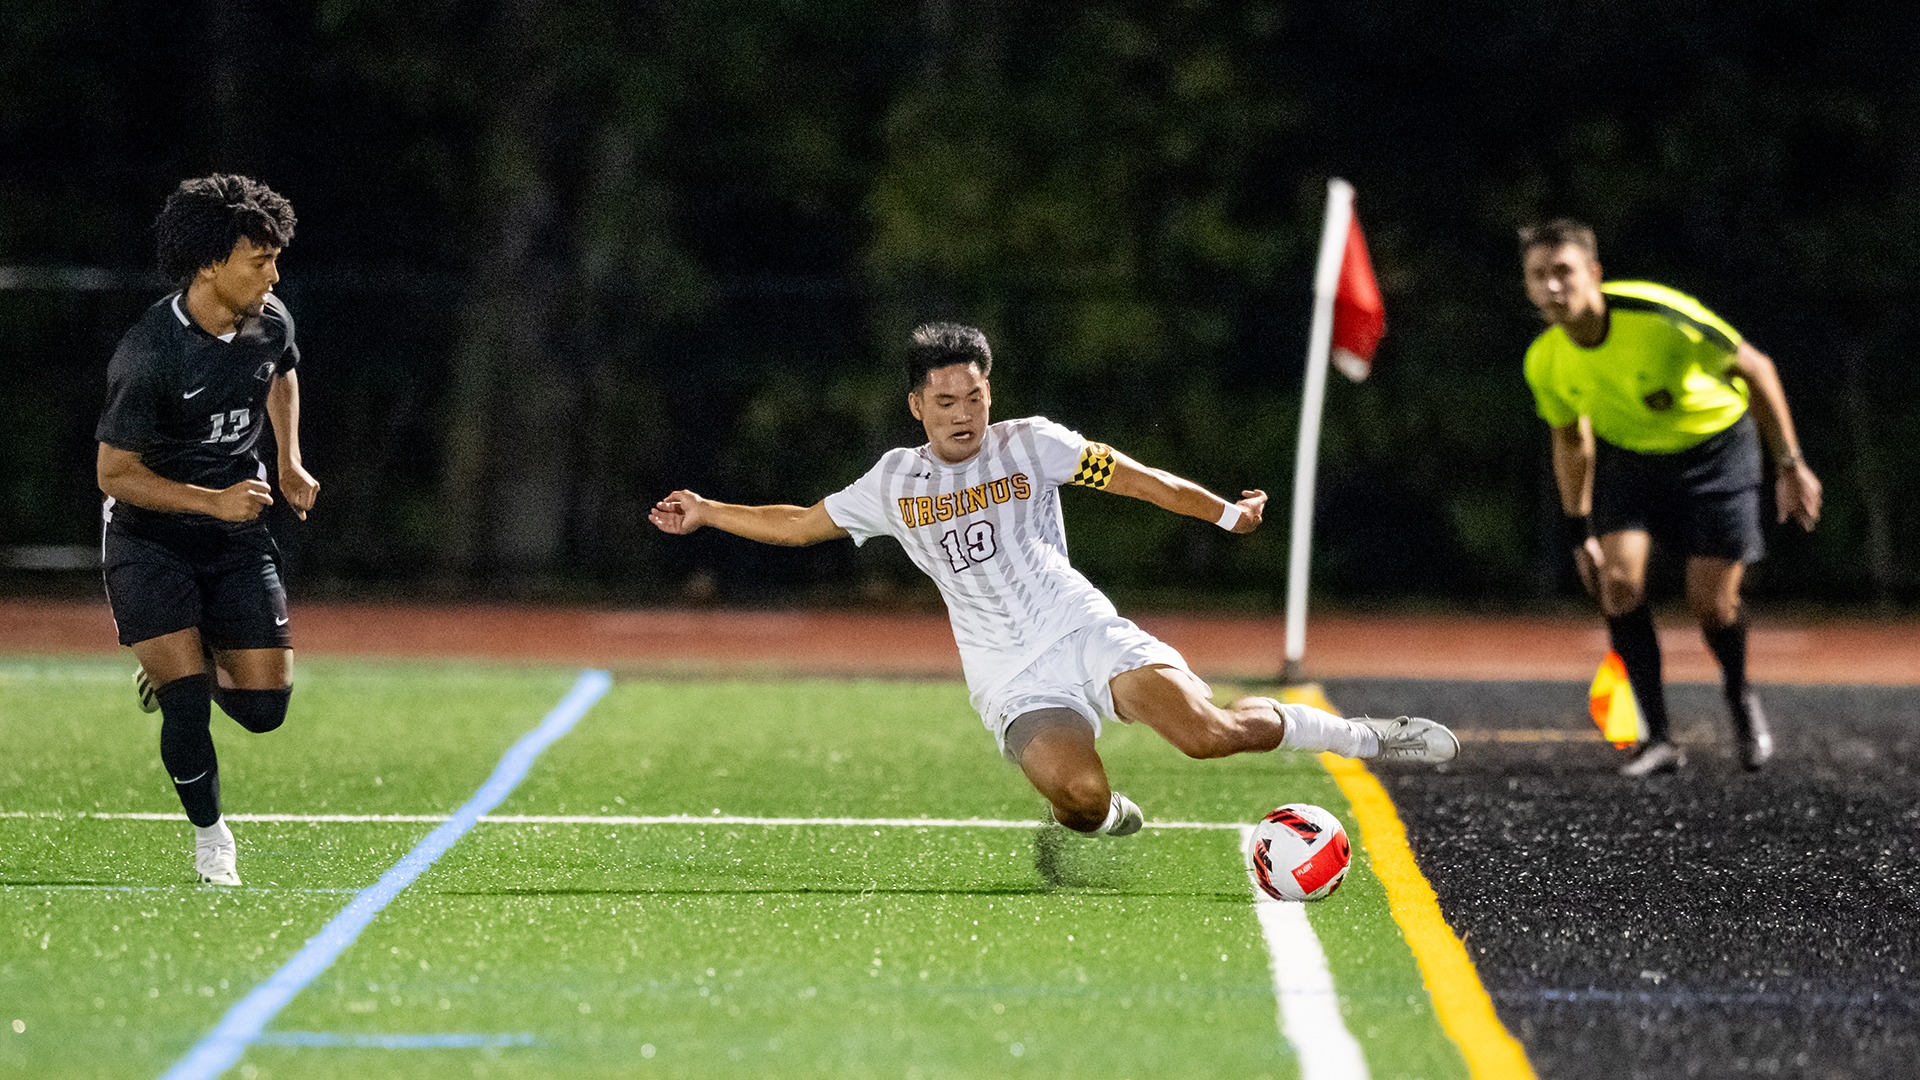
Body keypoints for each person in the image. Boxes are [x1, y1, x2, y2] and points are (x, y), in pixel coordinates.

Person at [649, 323, 1457, 836]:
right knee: (1080, 802)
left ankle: (1363, 736)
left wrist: (1225, 516)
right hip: (1008, 676)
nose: (962, 411)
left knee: (1206, 734)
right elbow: (799, 521)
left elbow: (1138, 478)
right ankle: (1105, 817)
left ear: (989, 393)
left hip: (1082, 630)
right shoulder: (893, 483)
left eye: (974, 394)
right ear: (916, 407)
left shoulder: (1033, 444)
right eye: (944, 400)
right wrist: (710, 511)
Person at [1519, 220, 1821, 778]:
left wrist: (1791, 464)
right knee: (1619, 583)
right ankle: (1657, 738)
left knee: (1711, 605)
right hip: (1635, 461)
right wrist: (1578, 528)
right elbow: (1571, 439)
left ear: (1594, 273)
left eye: (1562, 271)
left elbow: (1756, 367)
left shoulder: (1656, 315)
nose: (1551, 287)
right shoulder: (1545, 359)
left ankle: (1739, 696)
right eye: (1538, 276)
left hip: (1717, 450)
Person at [96, 174, 317, 885]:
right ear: (208, 264)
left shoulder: (269, 318)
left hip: (233, 538)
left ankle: (178, 661)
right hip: (147, 535)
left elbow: (280, 374)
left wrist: (289, 461)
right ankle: (211, 840)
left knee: (263, 709)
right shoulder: (150, 352)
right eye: (260, 260)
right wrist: (209, 500)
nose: (274, 274)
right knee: (188, 704)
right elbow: (115, 473)